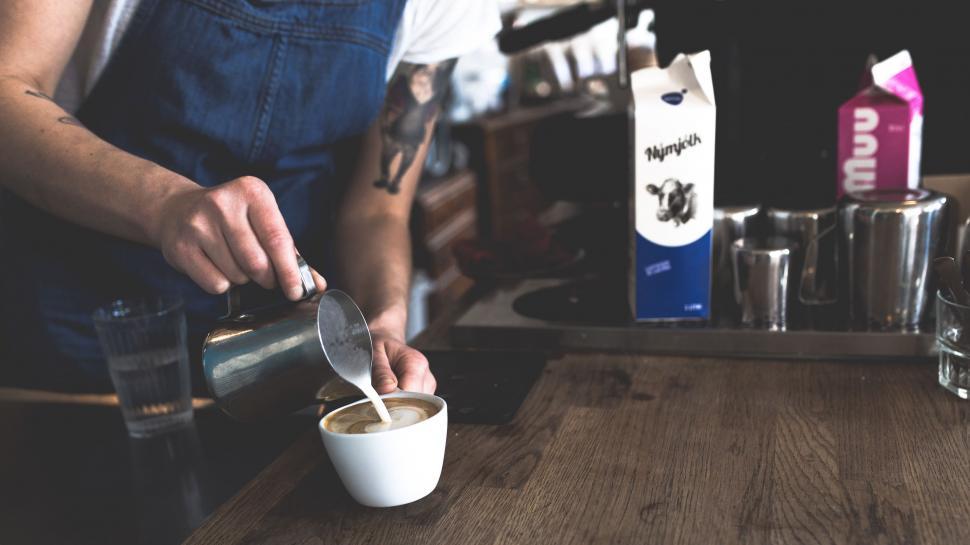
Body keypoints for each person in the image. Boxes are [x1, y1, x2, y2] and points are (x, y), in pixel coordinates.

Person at [0, 0, 501, 392]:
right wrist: (165, 203)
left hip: (286, 351)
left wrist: (383, 321)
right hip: (84, 330)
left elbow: (378, 208)